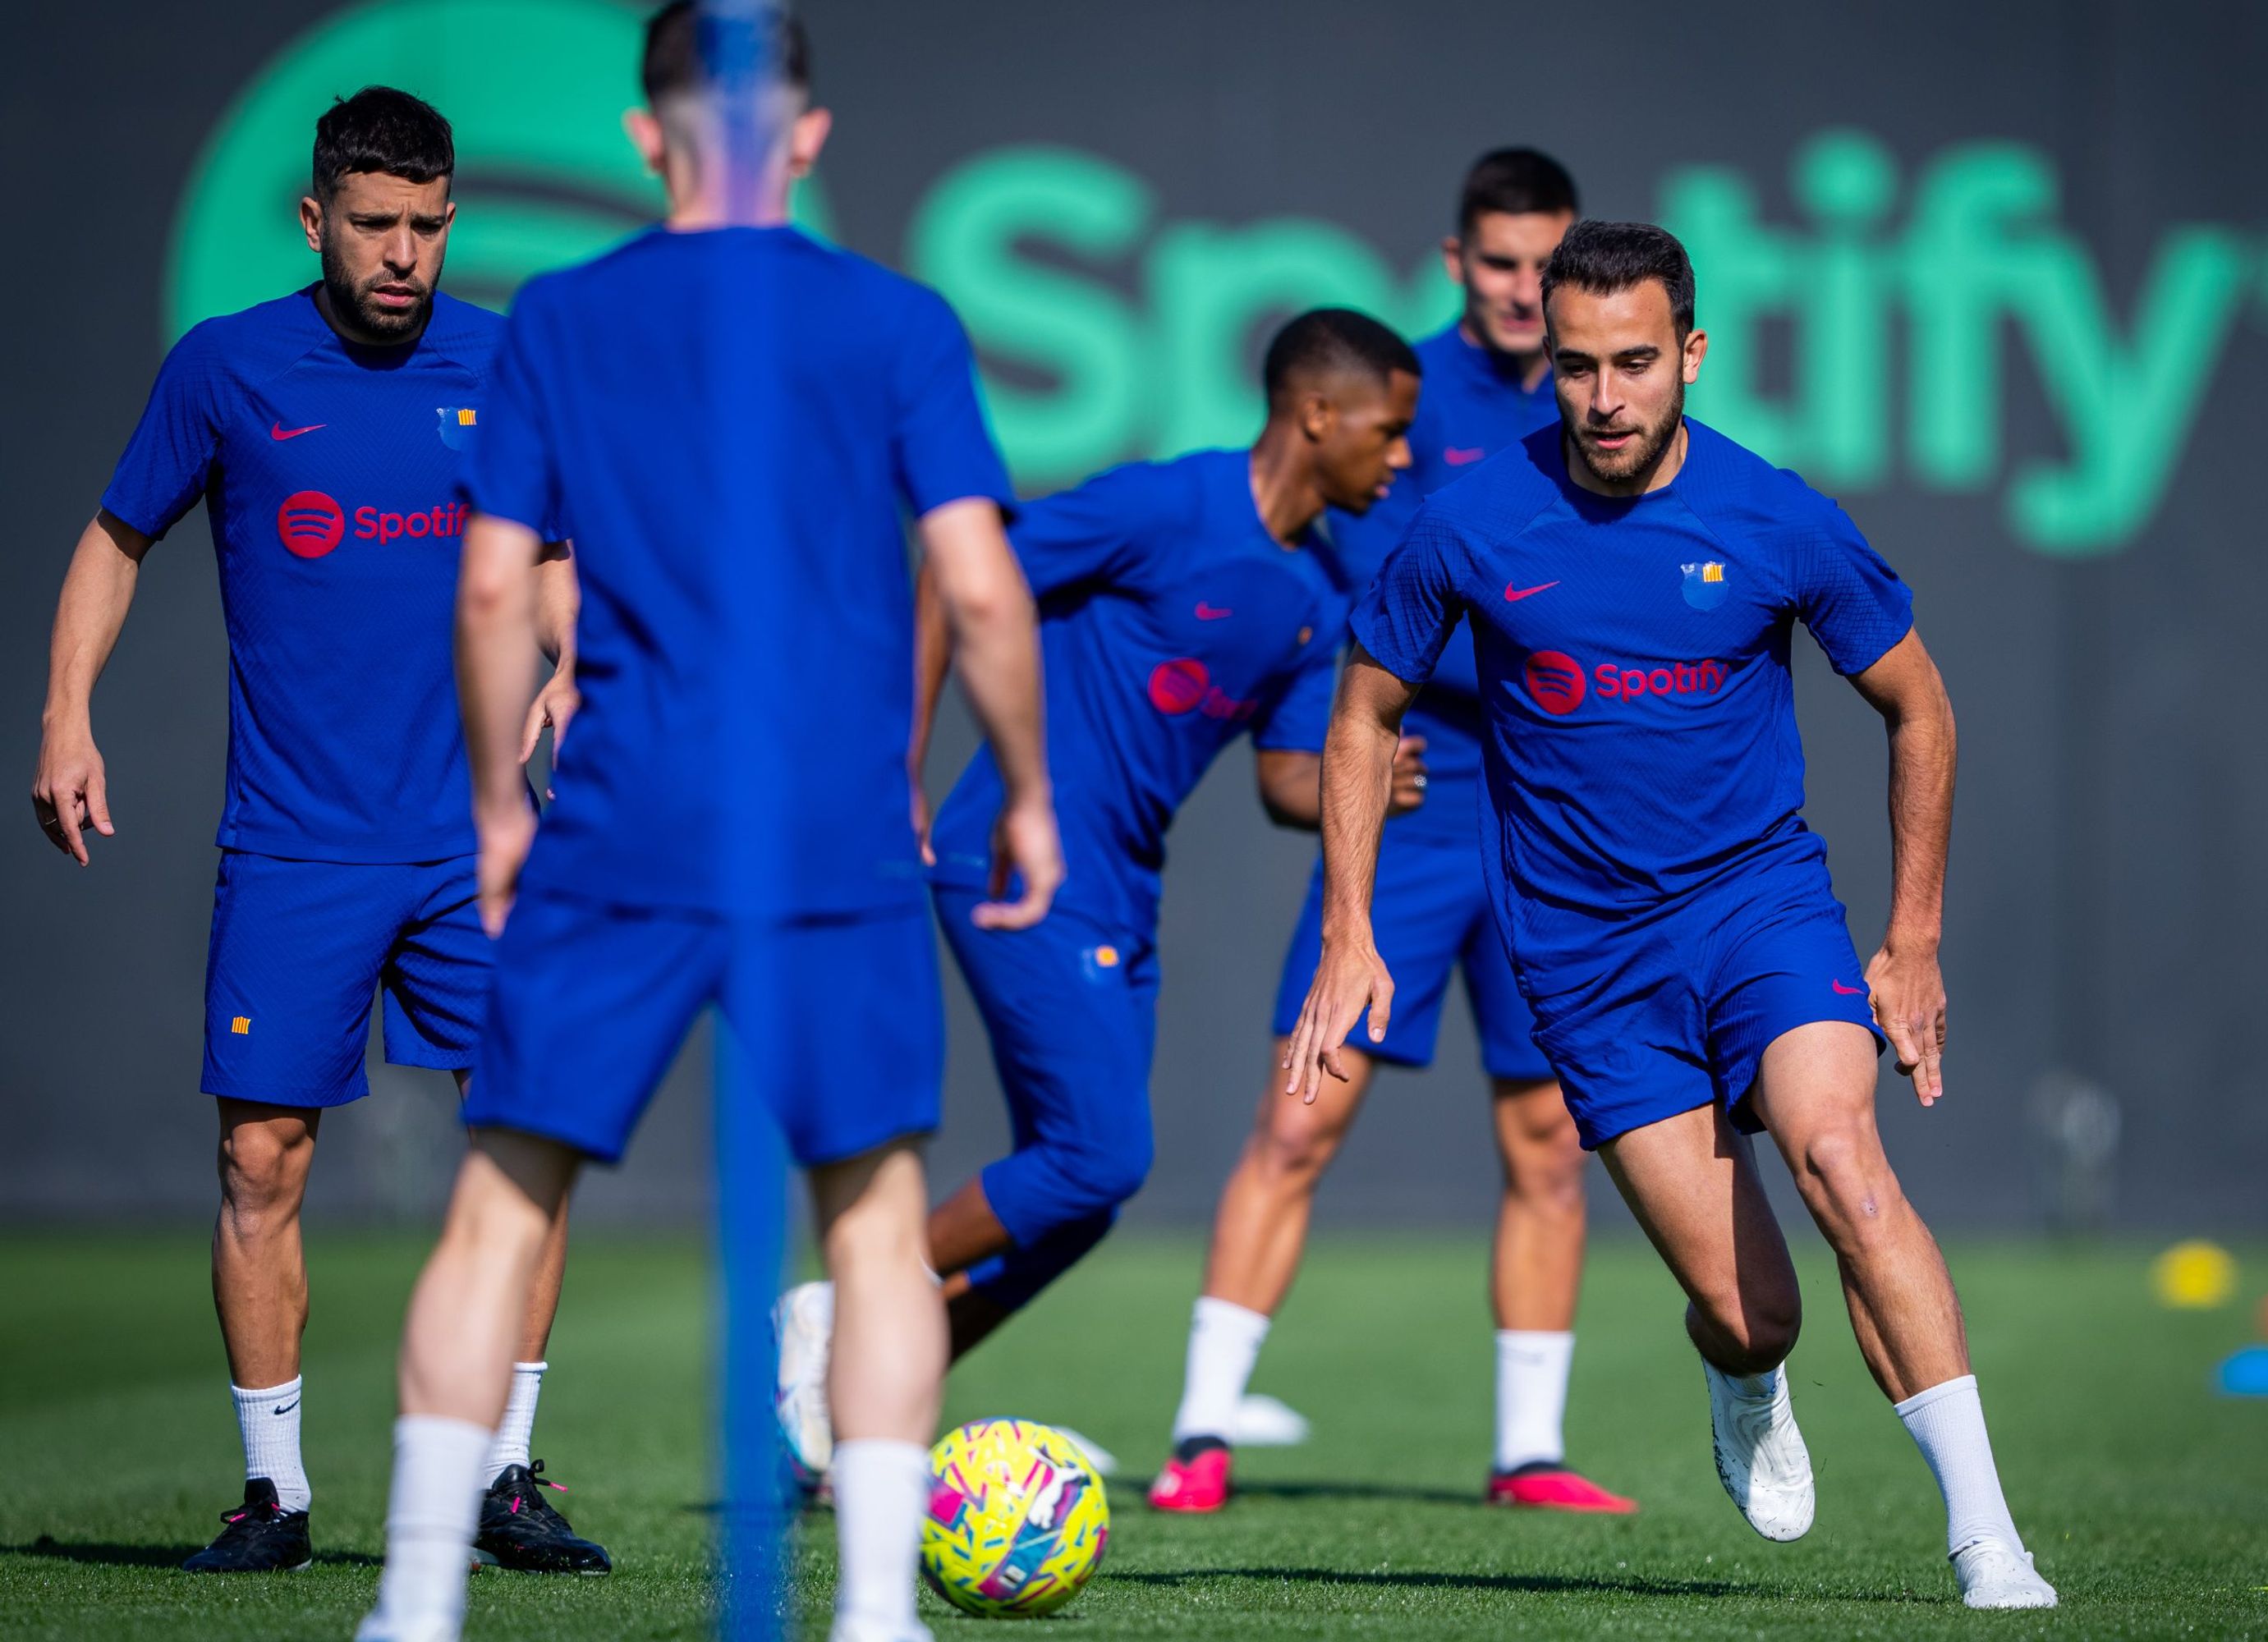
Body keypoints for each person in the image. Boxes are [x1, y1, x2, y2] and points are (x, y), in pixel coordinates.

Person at [351, 7, 1057, 1640]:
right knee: (877, 1222)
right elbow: (977, 585)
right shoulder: (896, 319)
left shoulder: (556, 317)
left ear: (644, 133)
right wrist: (1021, 791)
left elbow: (485, 587)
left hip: (622, 815)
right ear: (803, 135)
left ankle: (413, 1605)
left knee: (499, 1204)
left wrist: (488, 813)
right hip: (832, 828)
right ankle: (878, 1615)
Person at [1286, 219, 2058, 1609]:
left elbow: (1919, 704)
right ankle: (1744, 1380)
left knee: (1843, 1161)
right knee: (1757, 1310)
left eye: (1636, 362)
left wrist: (1914, 935)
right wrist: (1351, 928)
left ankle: (1986, 1540)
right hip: (1585, 964)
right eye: (1577, 368)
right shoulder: (1467, 518)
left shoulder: (1775, 514)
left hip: (1759, 912)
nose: (1606, 398)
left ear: (1690, 354)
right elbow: (1362, 714)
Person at [30, 85, 599, 1576]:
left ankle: (509, 1477)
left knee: (527, 1145)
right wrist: (63, 715)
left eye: (426, 225)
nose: (403, 253)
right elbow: (114, 536)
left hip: (478, 839)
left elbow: (551, 563)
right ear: (315, 219)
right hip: (295, 847)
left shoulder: (504, 363)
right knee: (263, 1164)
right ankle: (275, 1496)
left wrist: (577, 663)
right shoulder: (226, 370)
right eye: (374, 225)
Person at [771, 310, 1421, 1480]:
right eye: (1392, 429)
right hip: (1018, 865)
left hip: (1123, 893)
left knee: (1081, 1200)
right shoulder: (1165, 507)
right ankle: (847, 1309)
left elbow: (1282, 779)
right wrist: (900, 769)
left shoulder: (1320, 590)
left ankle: (872, 1401)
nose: (1405, 455)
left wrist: (1366, 776)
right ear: (1318, 415)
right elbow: (957, 572)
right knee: (1101, 1155)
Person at [1154, 148, 1635, 1516]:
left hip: (1554, 824)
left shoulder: (1607, 408)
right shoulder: (1396, 399)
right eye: (1500, 263)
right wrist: (1320, 742)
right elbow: (1308, 566)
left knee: (1551, 1139)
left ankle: (1528, 1452)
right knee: (1300, 1119)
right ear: (1455, 263)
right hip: (1414, 807)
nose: (1526, 293)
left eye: (1550, 266)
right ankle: (1199, 1435)